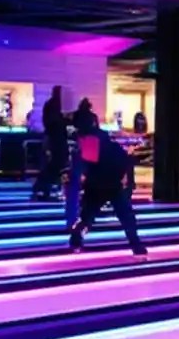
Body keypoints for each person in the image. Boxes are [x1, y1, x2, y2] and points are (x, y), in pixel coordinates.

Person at [68, 108, 146, 258]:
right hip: (111, 182)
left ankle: (76, 239)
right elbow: (123, 159)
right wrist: (128, 181)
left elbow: (87, 165)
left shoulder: (87, 140)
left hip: (97, 184)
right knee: (125, 216)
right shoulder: (103, 138)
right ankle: (136, 245)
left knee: (88, 216)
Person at [32, 86, 67, 201]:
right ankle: (43, 187)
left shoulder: (51, 104)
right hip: (56, 138)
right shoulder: (57, 106)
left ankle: (43, 188)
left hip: (53, 137)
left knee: (53, 164)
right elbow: (55, 122)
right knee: (55, 164)